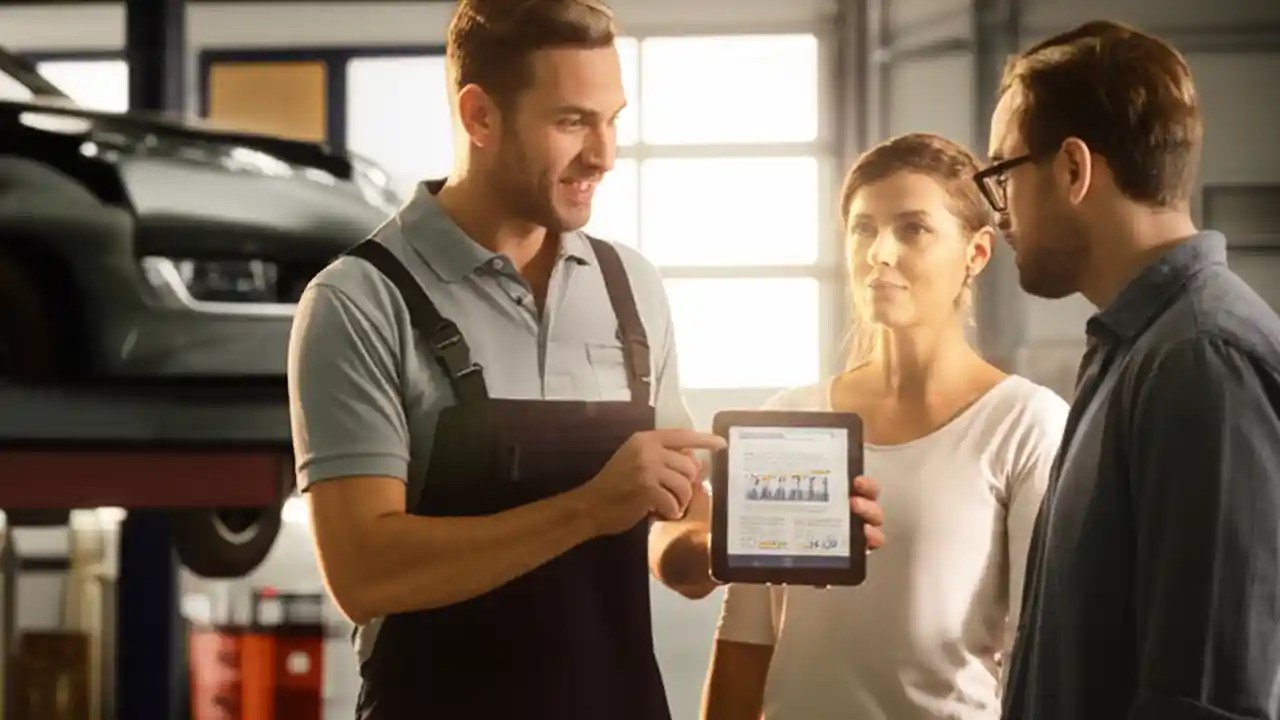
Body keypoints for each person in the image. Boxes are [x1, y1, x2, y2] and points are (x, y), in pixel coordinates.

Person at [285, 1, 885, 718]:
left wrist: (755, 539)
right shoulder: (361, 302)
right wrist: (587, 510)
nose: (604, 154)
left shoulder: (631, 287)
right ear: (479, 117)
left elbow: (670, 527)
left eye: (613, 119)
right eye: (572, 121)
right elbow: (365, 571)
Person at [691, 133, 1069, 719]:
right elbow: (745, 644)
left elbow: (1038, 657)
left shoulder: (1025, 425)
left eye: (913, 228)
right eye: (863, 228)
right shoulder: (784, 422)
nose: (880, 252)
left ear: (975, 253)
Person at [982, 20, 1280, 720]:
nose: (998, 215)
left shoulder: (1203, 361)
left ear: (1074, 169)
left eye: (1002, 173)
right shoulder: (1134, 349)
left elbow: (1208, 695)